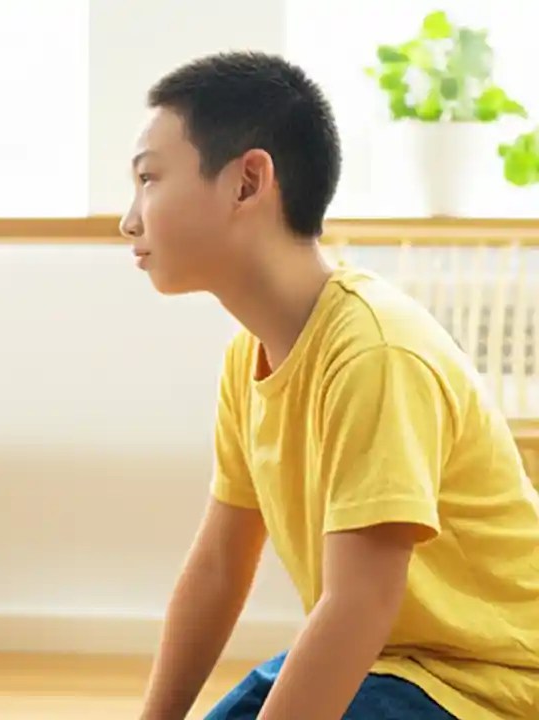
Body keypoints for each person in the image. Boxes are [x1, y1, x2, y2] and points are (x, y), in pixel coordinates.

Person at [123, 51, 539, 720]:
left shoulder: (375, 350)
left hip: (492, 680)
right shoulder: (247, 358)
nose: (130, 219)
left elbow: (360, 601)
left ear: (247, 182)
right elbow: (219, 569)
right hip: (393, 661)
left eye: (149, 179)